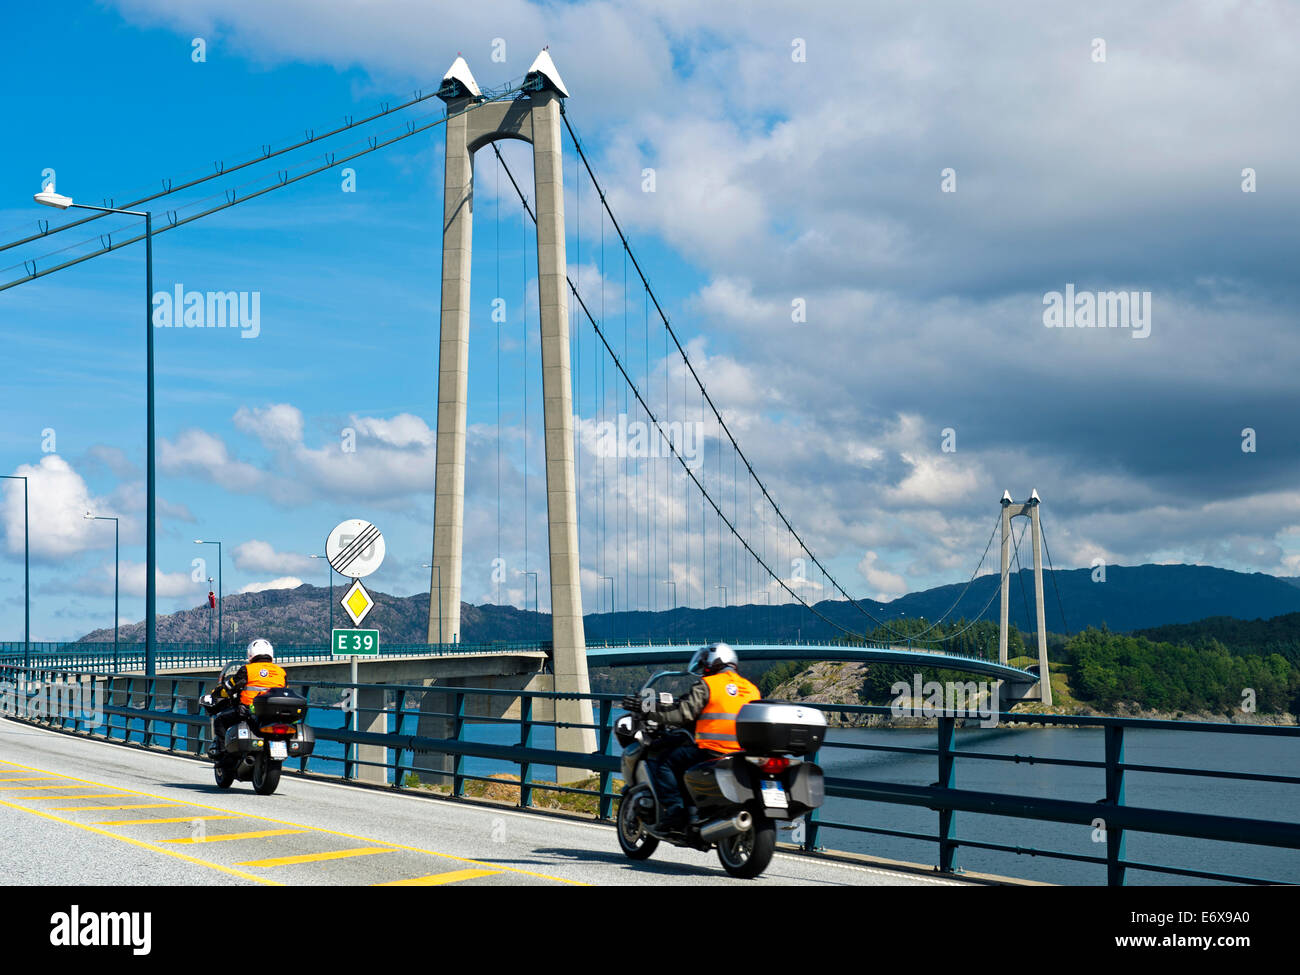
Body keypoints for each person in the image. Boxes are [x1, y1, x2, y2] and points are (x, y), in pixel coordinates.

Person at [631, 642, 760, 832]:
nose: (704, 668)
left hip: (711, 750)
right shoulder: (751, 689)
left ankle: (676, 813)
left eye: (705, 663)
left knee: (664, 762)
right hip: (742, 753)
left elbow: (681, 715)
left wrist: (646, 709)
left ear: (715, 661)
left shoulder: (708, 684)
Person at [207, 639, 287, 758]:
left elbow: (230, 687)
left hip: (248, 711)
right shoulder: (281, 672)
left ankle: (225, 754)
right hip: (275, 713)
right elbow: (285, 690)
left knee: (220, 720)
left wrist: (216, 693)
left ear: (250, 654)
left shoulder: (247, 670)